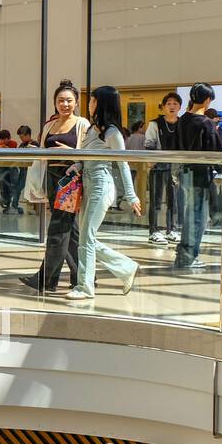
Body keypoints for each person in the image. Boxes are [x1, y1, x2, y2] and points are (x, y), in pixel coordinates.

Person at [65, 85, 142, 300]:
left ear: (102, 103)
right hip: (89, 185)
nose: (89, 104)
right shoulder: (93, 129)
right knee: (86, 238)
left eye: (92, 100)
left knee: (86, 237)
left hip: (102, 186)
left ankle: (85, 287)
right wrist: (77, 166)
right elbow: (87, 156)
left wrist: (131, 195)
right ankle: (126, 268)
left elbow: (123, 163)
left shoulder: (112, 132)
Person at [19, 80, 90, 293]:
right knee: (69, 230)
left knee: (58, 228)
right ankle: (83, 276)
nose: (65, 104)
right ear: (55, 103)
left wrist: (71, 151)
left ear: (76, 102)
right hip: (51, 177)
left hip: (70, 179)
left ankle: (46, 279)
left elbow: (88, 153)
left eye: (69, 100)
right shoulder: (49, 125)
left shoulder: (82, 124)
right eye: (61, 100)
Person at [175, 83, 222, 270]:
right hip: (201, 176)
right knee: (197, 218)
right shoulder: (205, 123)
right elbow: (216, 152)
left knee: (190, 215)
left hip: (185, 173)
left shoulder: (182, 120)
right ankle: (189, 256)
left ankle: (183, 254)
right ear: (207, 100)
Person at [143, 93, 183, 246]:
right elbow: (149, 144)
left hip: (176, 168)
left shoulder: (182, 123)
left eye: (175, 103)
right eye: (169, 103)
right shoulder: (155, 124)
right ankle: (153, 231)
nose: (172, 106)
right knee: (156, 200)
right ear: (164, 106)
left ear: (179, 106)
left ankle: (172, 230)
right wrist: (151, 162)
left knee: (174, 200)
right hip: (158, 167)